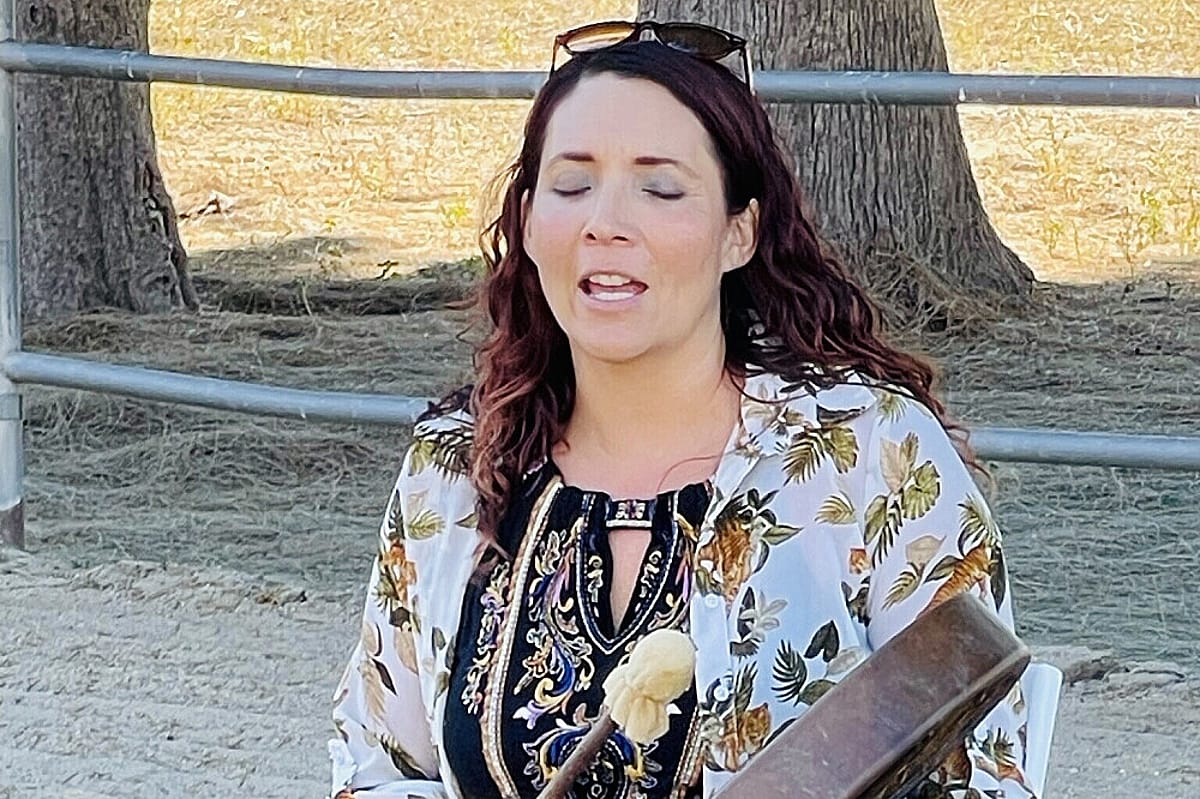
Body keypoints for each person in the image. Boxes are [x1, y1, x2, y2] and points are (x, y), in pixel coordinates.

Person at [329, 19, 1031, 799]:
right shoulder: (455, 464)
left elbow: (988, 770)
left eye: (660, 188)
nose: (606, 222)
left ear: (739, 231)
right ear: (528, 222)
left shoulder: (870, 452)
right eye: (572, 185)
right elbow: (376, 765)